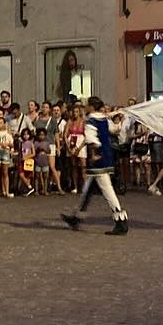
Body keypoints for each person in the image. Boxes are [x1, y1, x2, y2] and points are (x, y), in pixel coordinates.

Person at [60, 97, 130, 235]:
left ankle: (121, 221)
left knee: (107, 190)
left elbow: (92, 139)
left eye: (87, 105)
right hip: (106, 157)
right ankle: (76, 217)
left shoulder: (90, 120)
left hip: (98, 160)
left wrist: (93, 154)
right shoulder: (104, 119)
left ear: (91, 107)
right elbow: (115, 130)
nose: (85, 107)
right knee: (88, 189)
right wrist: (118, 119)